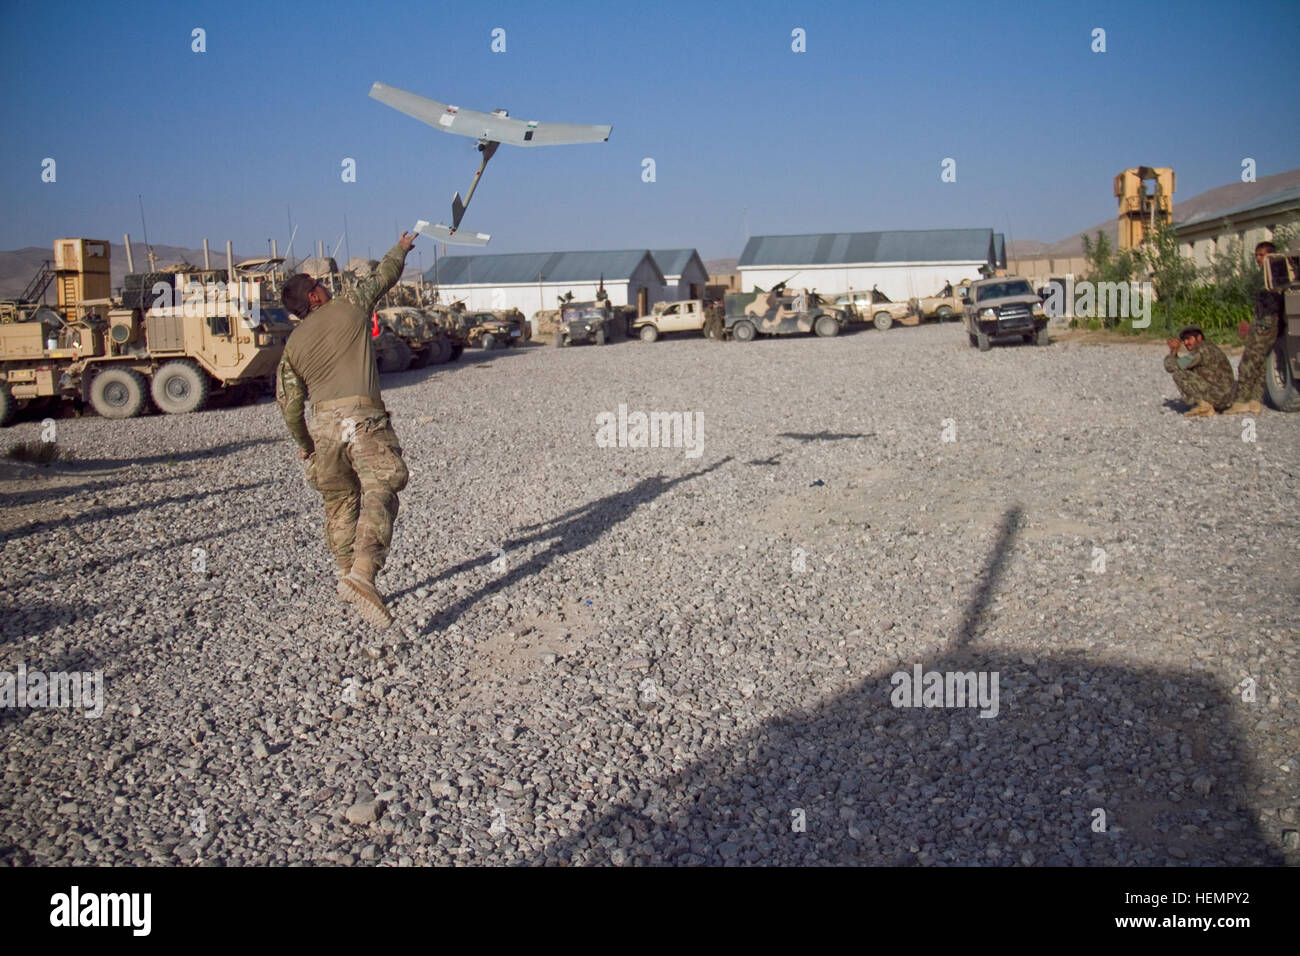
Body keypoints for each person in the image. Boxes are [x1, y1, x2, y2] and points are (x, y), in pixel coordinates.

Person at [275, 231, 417, 628]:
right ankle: (363, 574)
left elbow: (289, 406)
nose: (325, 288)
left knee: (339, 501)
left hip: (322, 431)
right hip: (362, 419)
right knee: (383, 483)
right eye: (320, 285)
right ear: (315, 296)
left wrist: (305, 444)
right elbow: (384, 276)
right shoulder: (350, 305)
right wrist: (401, 247)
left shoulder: (292, 346)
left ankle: (343, 576)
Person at [1225, 240, 1282, 414]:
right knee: (1260, 363)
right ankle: (1255, 400)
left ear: (1270, 256)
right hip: (1263, 323)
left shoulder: (1274, 275)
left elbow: (1274, 305)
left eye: (1261, 255)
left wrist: (1260, 327)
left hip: (1267, 324)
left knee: (1248, 363)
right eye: (1256, 255)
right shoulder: (1267, 274)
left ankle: (1242, 400)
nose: (1258, 258)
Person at [1164, 325, 1236, 417]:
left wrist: (1173, 351)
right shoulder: (1209, 348)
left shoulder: (1201, 352)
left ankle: (1204, 407)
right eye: (1184, 340)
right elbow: (1183, 364)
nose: (1186, 343)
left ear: (1199, 338)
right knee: (1188, 371)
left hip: (1219, 395)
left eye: (1189, 339)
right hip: (1226, 396)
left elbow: (1172, 366)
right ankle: (1212, 406)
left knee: (1179, 374)